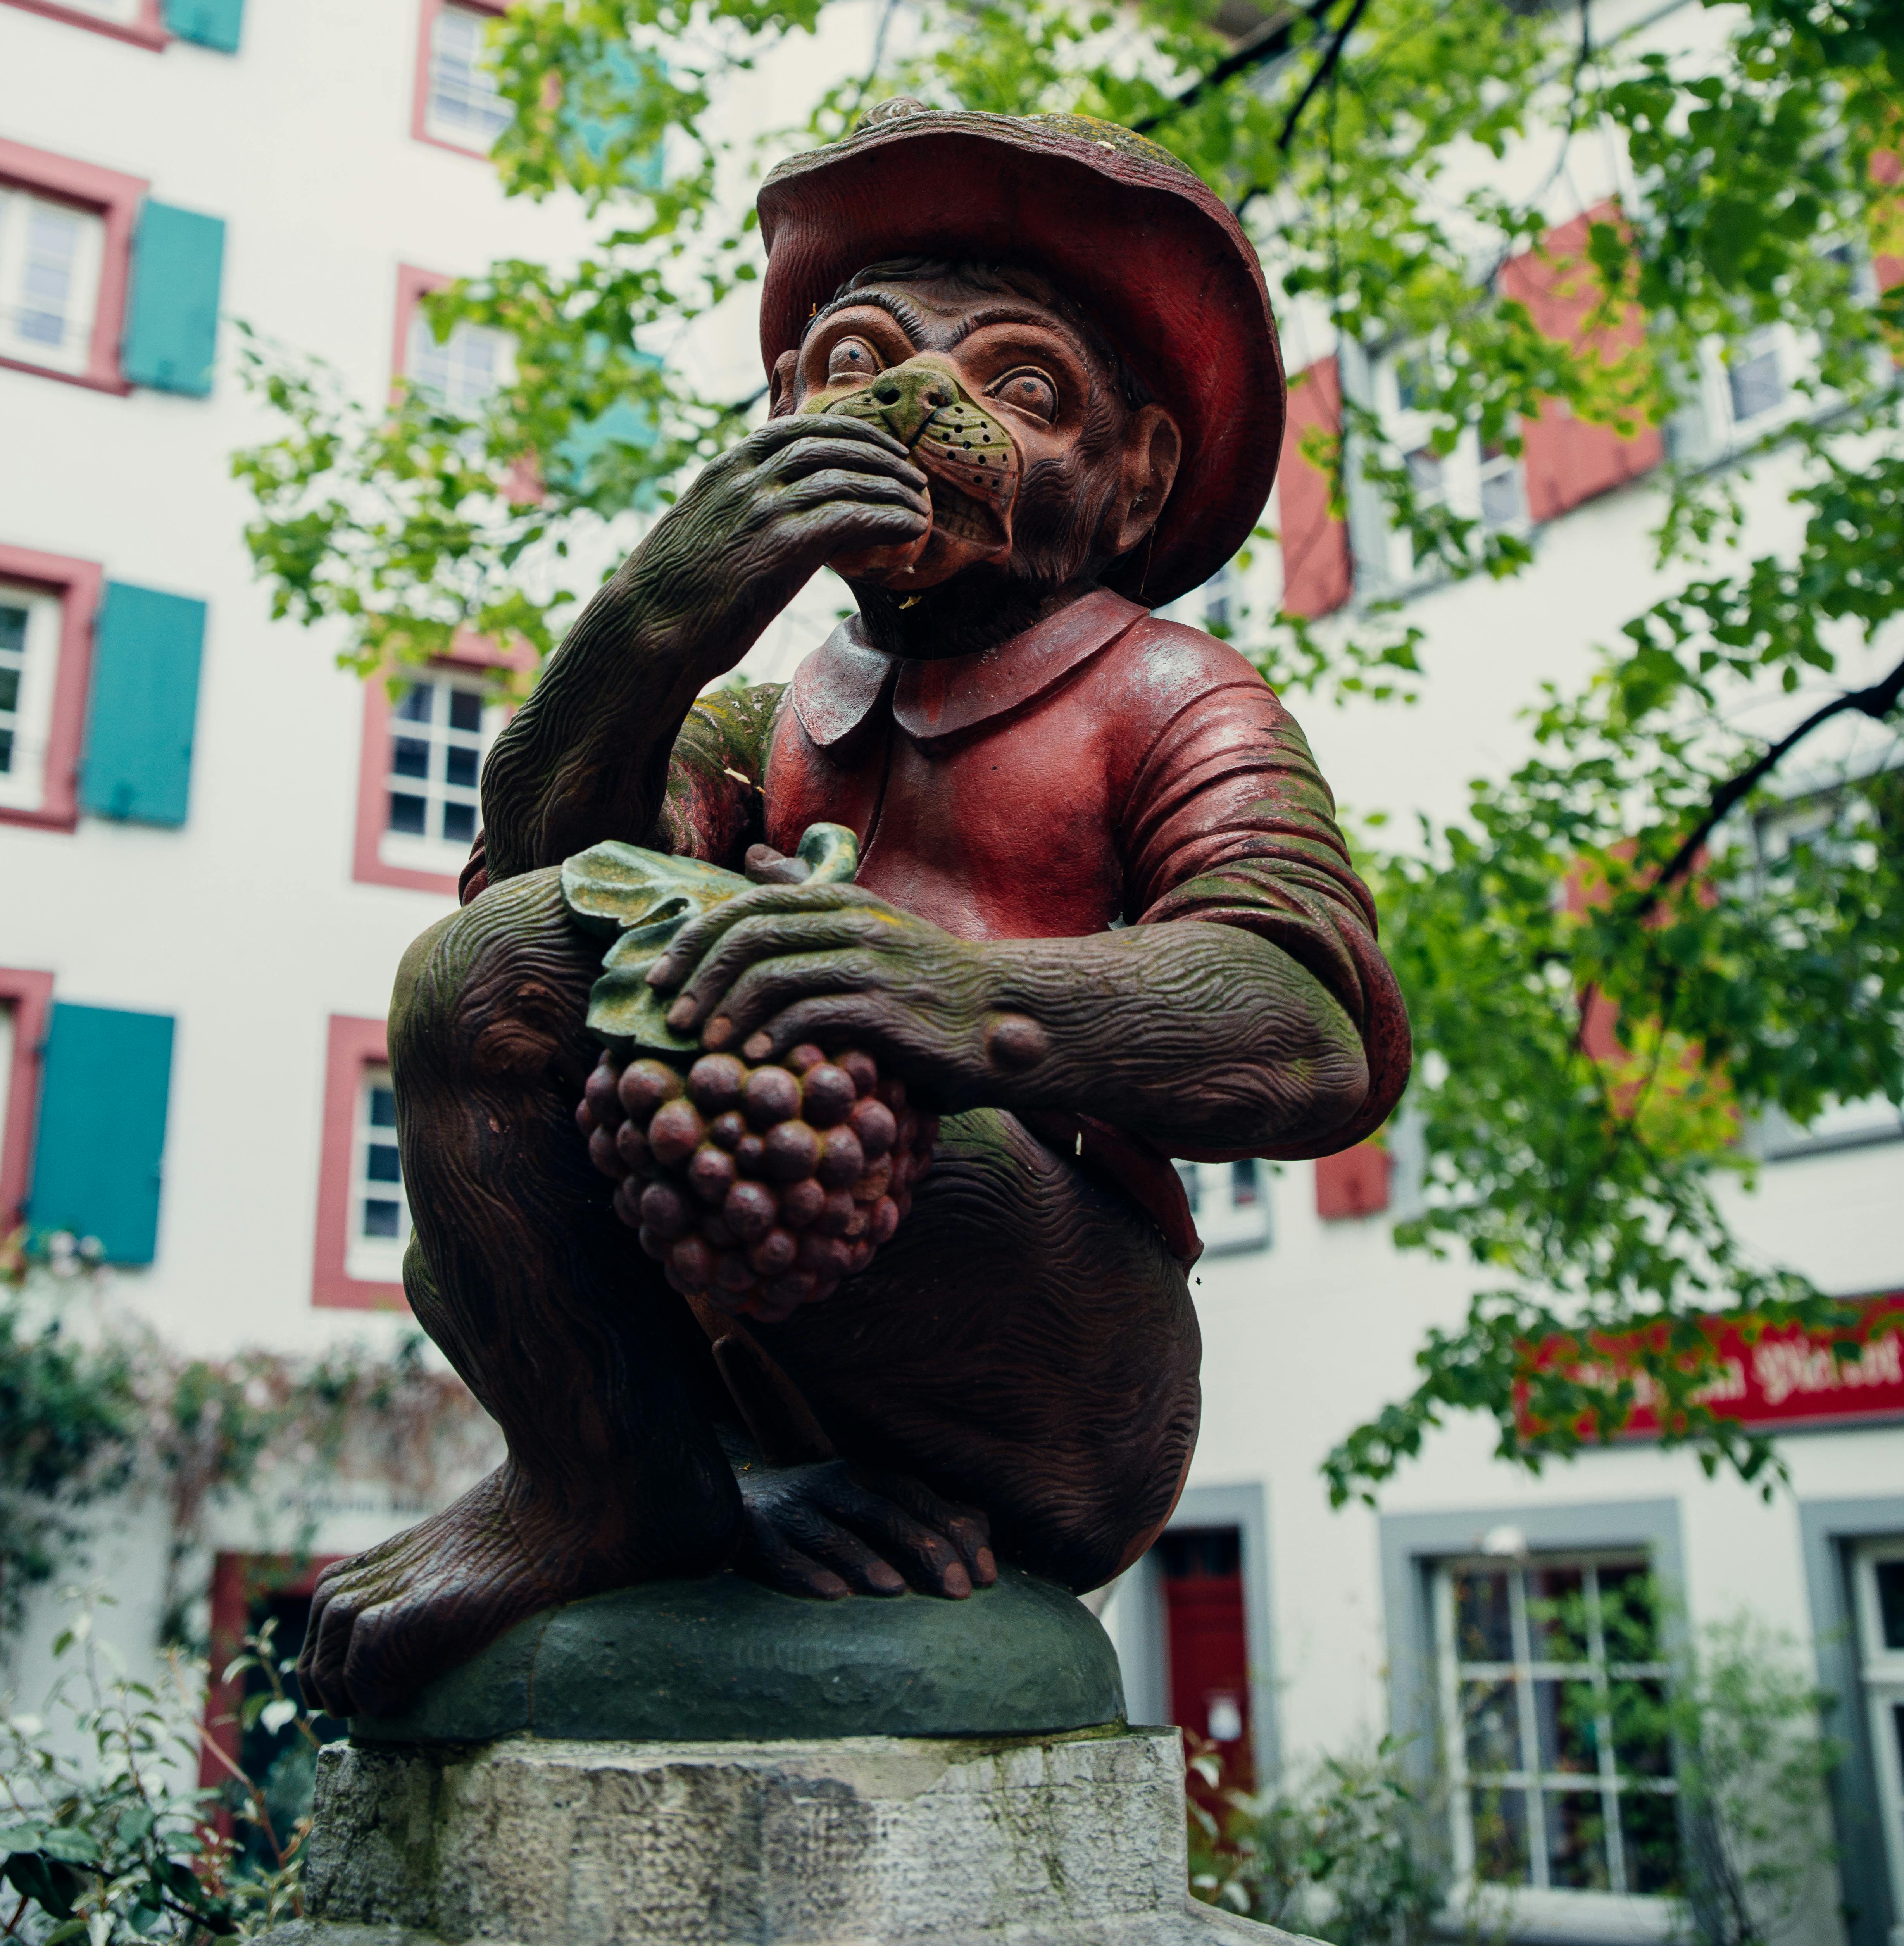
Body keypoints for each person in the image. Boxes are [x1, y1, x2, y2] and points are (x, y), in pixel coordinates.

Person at [298, 105, 1409, 1717]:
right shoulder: (762, 723)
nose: (910, 409)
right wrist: (659, 607)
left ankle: (650, 1483)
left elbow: (1310, 1022)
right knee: (487, 979)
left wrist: (952, 1000)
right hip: (746, 1362)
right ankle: (619, 1484)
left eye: (1021, 386)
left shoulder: (1169, 692)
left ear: (1131, 478)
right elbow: (531, 902)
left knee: (651, 996)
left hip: (1048, 1354)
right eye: (851, 367)